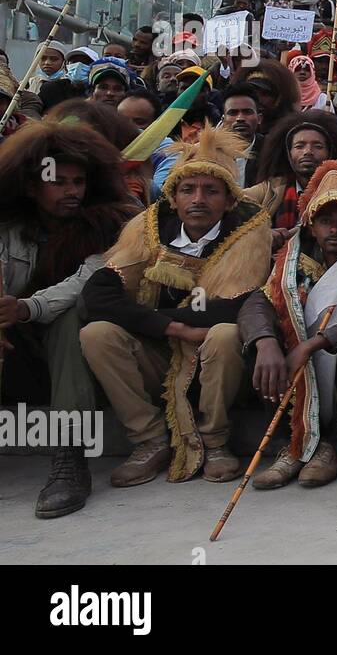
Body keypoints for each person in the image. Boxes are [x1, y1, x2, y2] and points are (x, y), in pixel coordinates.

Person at [80, 126, 273, 486]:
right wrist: (172, 327)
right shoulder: (150, 229)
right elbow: (98, 296)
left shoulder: (249, 231)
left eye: (211, 191)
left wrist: (148, 319)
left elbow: (232, 306)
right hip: (162, 353)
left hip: (214, 362)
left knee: (224, 334)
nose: (198, 199)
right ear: (173, 196)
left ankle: (215, 441)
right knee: (98, 333)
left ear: (229, 200)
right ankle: (150, 440)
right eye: (188, 189)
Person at [0, 121, 138, 518]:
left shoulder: (109, 227)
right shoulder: (8, 231)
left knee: (67, 321)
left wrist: (25, 308)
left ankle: (69, 457)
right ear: (31, 187)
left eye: (78, 182)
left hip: (82, 361)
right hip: (20, 356)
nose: (72, 191)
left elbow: (86, 282)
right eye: (58, 182)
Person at [238, 162, 337, 490]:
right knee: (260, 345)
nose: (336, 230)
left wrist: (316, 342)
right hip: (295, 358)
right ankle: (289, 445)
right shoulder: (292, 260)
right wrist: (264, 342)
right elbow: (257, 303)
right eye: (326, 221)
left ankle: (330, 444)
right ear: (312, 225)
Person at [244, 111, 337, 238]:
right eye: (299, 146)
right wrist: (264, 235)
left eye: (318, 146)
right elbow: (234, 204)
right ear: (288, 153)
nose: (308, 152)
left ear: (330, 153)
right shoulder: (271, 188)